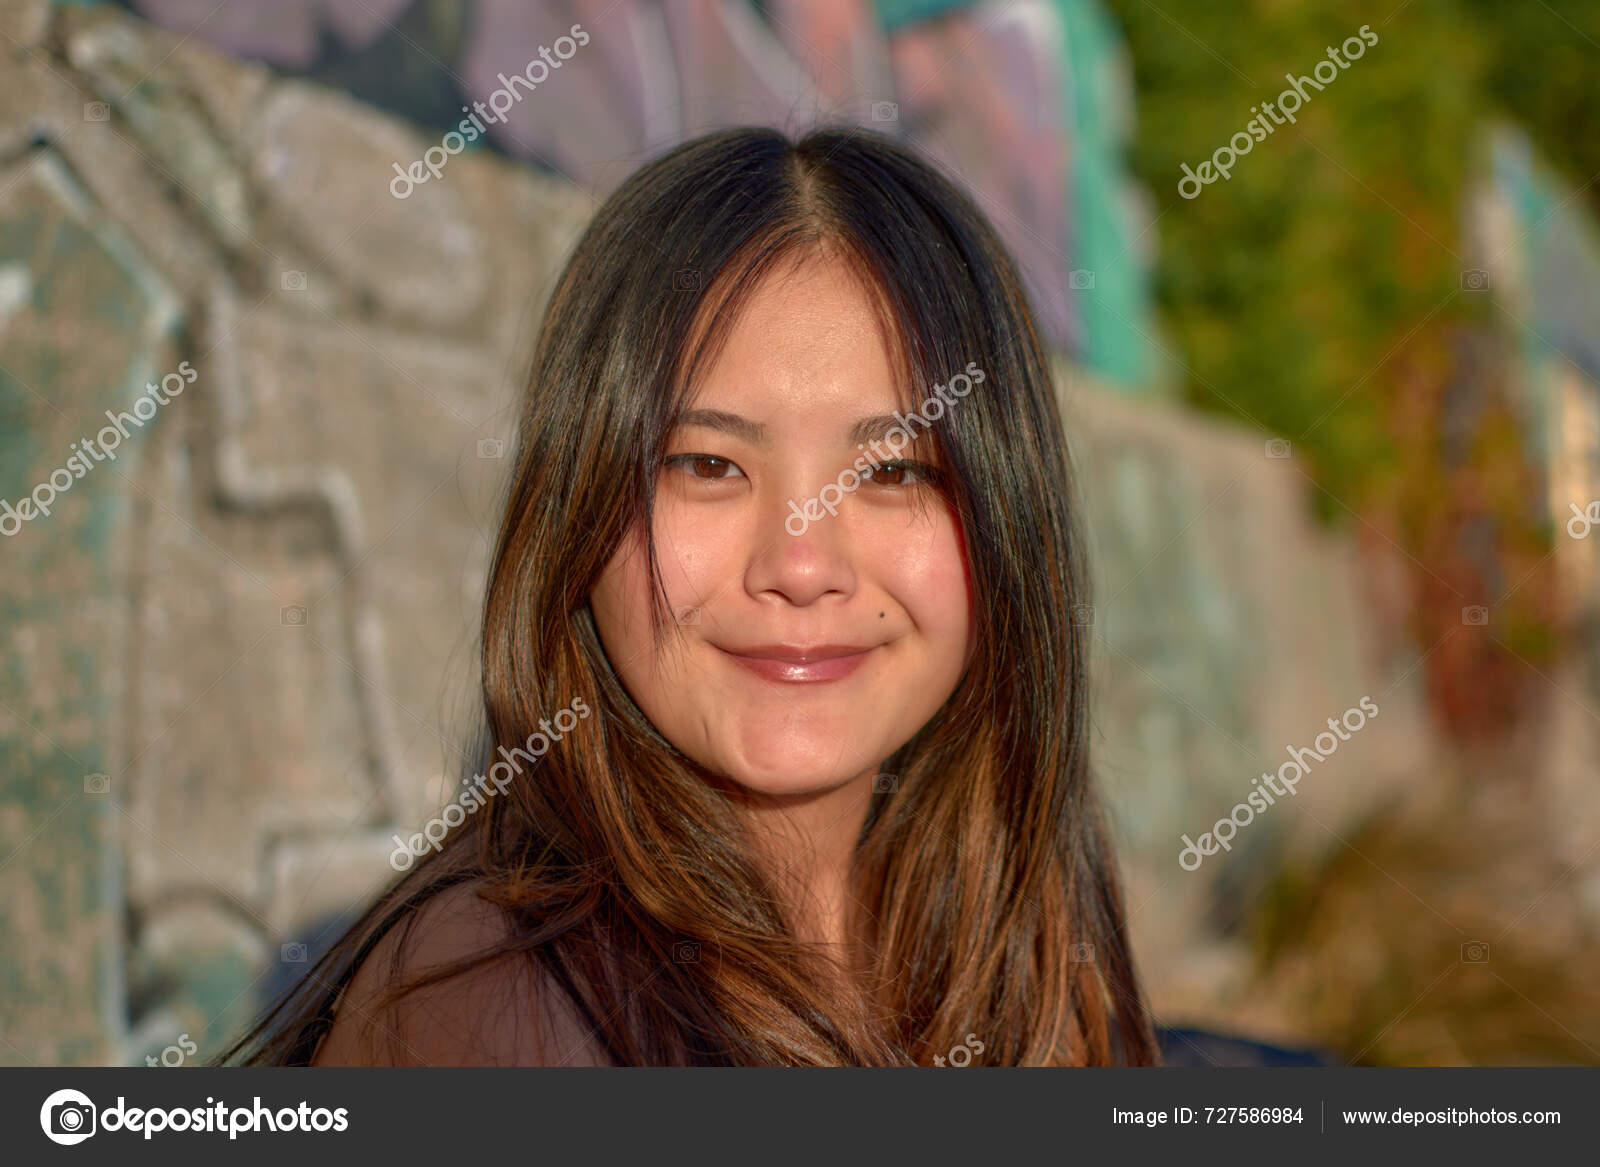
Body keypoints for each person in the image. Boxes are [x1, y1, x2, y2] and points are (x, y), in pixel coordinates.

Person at [218, 126, 1158, 1066]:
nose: (801, 564)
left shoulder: (1025, 955)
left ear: (1006, 517)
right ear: (578, 511)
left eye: (893, 471)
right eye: (707, 464)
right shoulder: (511, 1008)